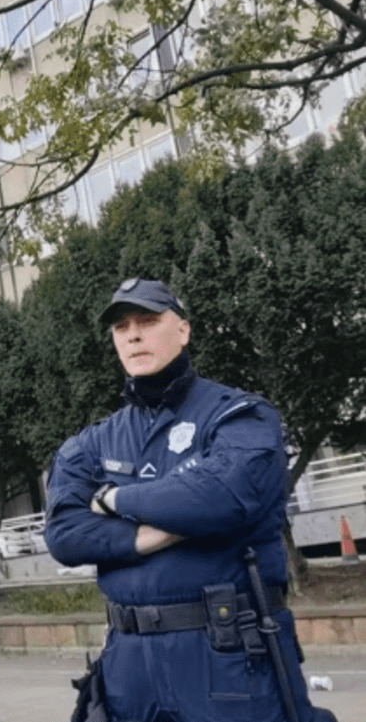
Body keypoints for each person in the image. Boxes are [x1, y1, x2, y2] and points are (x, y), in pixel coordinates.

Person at [44, 277, 336, 722]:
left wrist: (111, 499)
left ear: (183, 330)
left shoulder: (240, 415)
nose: (134, 334)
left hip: (227, 655)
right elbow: (64, 535)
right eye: (122, 328)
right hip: (128, 665)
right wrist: (153, 534)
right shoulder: (93, 441)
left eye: (147, 320)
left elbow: (221, 498)